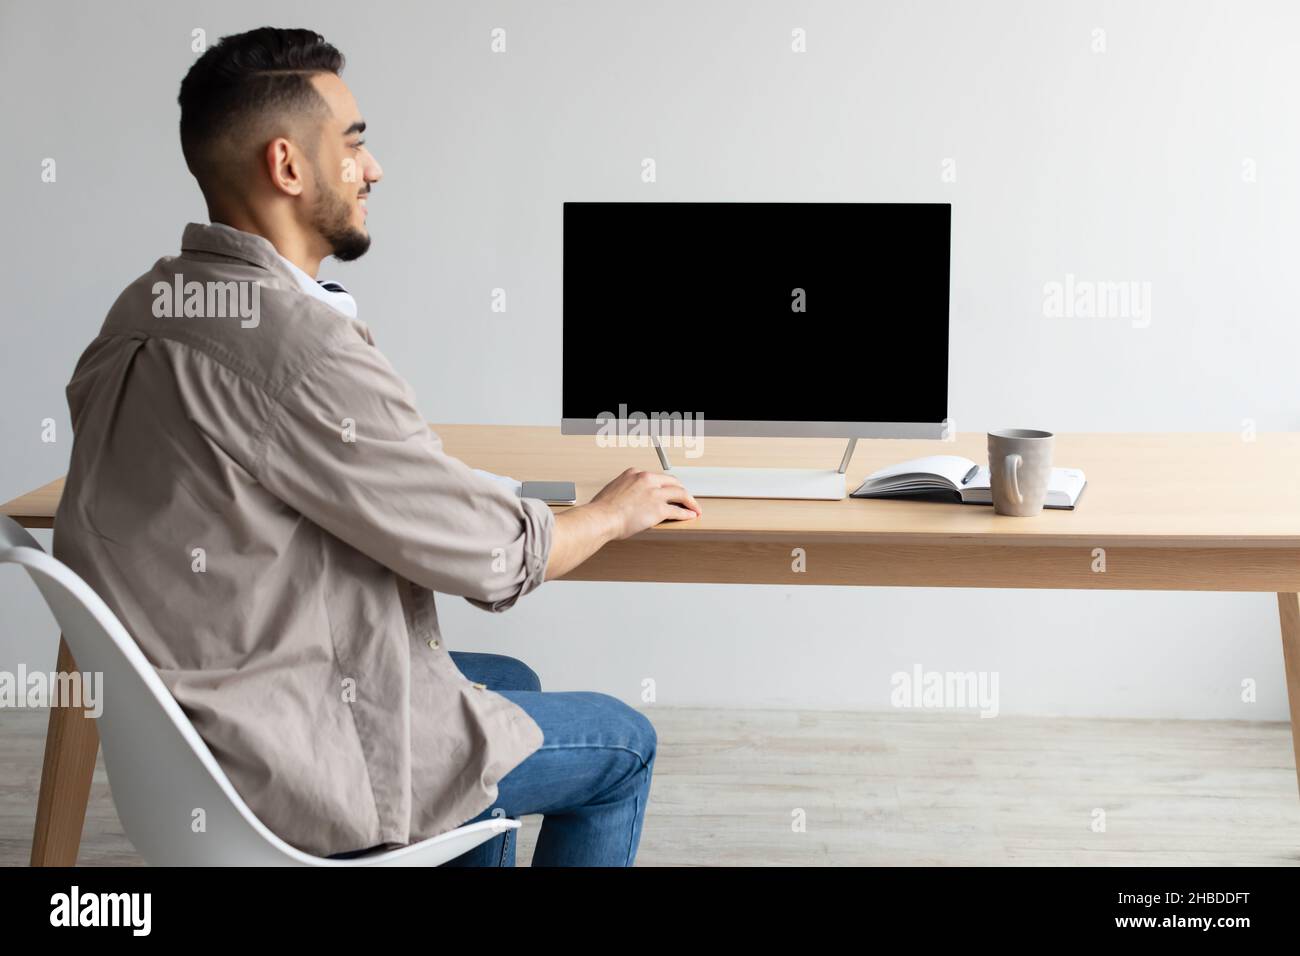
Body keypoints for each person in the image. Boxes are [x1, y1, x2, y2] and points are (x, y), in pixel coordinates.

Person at [52, 26, 701, 866]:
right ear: (288, 166)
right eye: (354, 143)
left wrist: (429, 485)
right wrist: (610, 514)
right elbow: (485, 559)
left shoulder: (148, 304)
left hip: (191, 718)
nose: (374, 168)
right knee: (625, 742)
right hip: (287, 757)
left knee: (509, 685)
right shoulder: (297, 347)